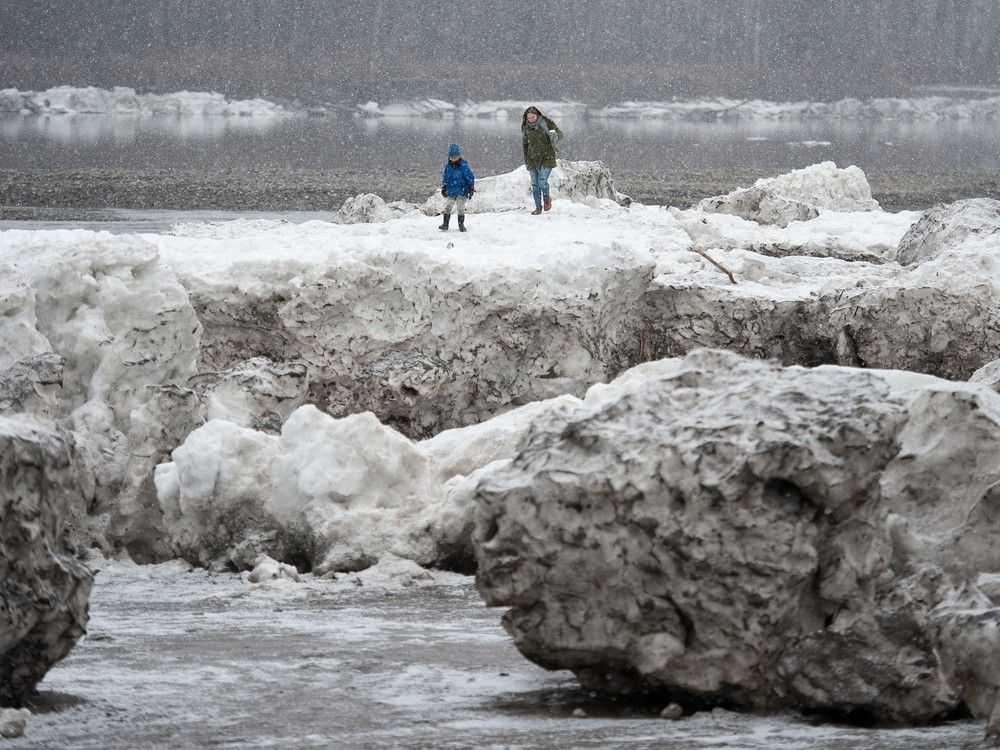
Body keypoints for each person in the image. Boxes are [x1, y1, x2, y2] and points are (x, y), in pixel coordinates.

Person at [521, 106, 564, 215]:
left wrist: (555, 136)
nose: (531, 120)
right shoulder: (526, 128)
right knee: (535, 185)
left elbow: (560, 134)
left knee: (542, 181)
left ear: (537, 115)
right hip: (532, 159)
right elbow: (525, 145)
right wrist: (526, 160)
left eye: (533, 117)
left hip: (547, 158)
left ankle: (546, 198)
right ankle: (538, 208)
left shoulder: (546, 123)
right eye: (529, 118)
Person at [440, 143, 475, 232]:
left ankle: (461, 225)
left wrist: (471, 187)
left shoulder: (464, 166)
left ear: (459, 156)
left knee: (460, 208)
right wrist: (444, 187)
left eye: (455, 157)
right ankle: (445, 224)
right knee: (448, 207)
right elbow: (445, 177)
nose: (453, 159)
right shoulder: (448, 167)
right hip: (451, 190)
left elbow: (470, 177)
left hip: (462, 191)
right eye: (452, 157)